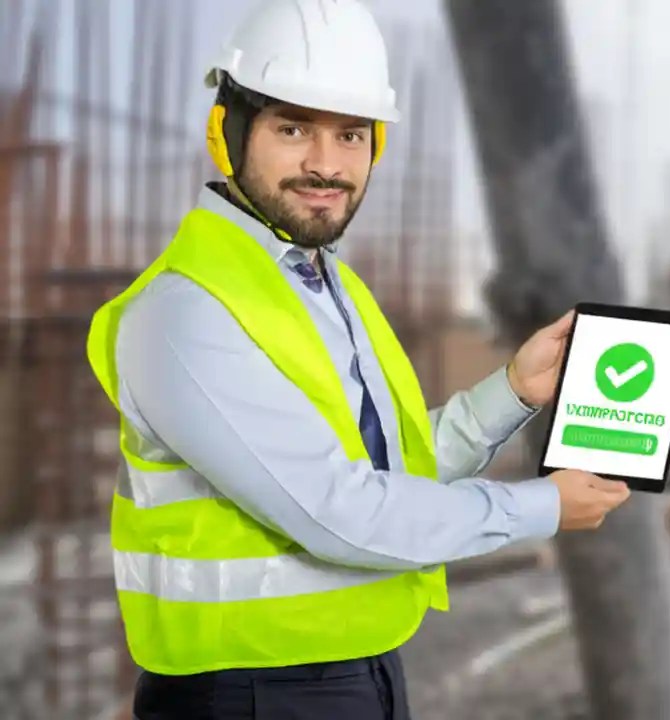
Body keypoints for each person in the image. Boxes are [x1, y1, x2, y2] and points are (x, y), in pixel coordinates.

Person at [85, 1, 631, 717]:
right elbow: (339, 510)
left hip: (356, 675)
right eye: (292, 128)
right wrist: (541, 507)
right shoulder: (185, 313)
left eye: (350, 134)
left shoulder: (324, 285)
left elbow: (385, 473)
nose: (326, 164)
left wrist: (512, 393)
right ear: (226, 133)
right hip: (248, 694)